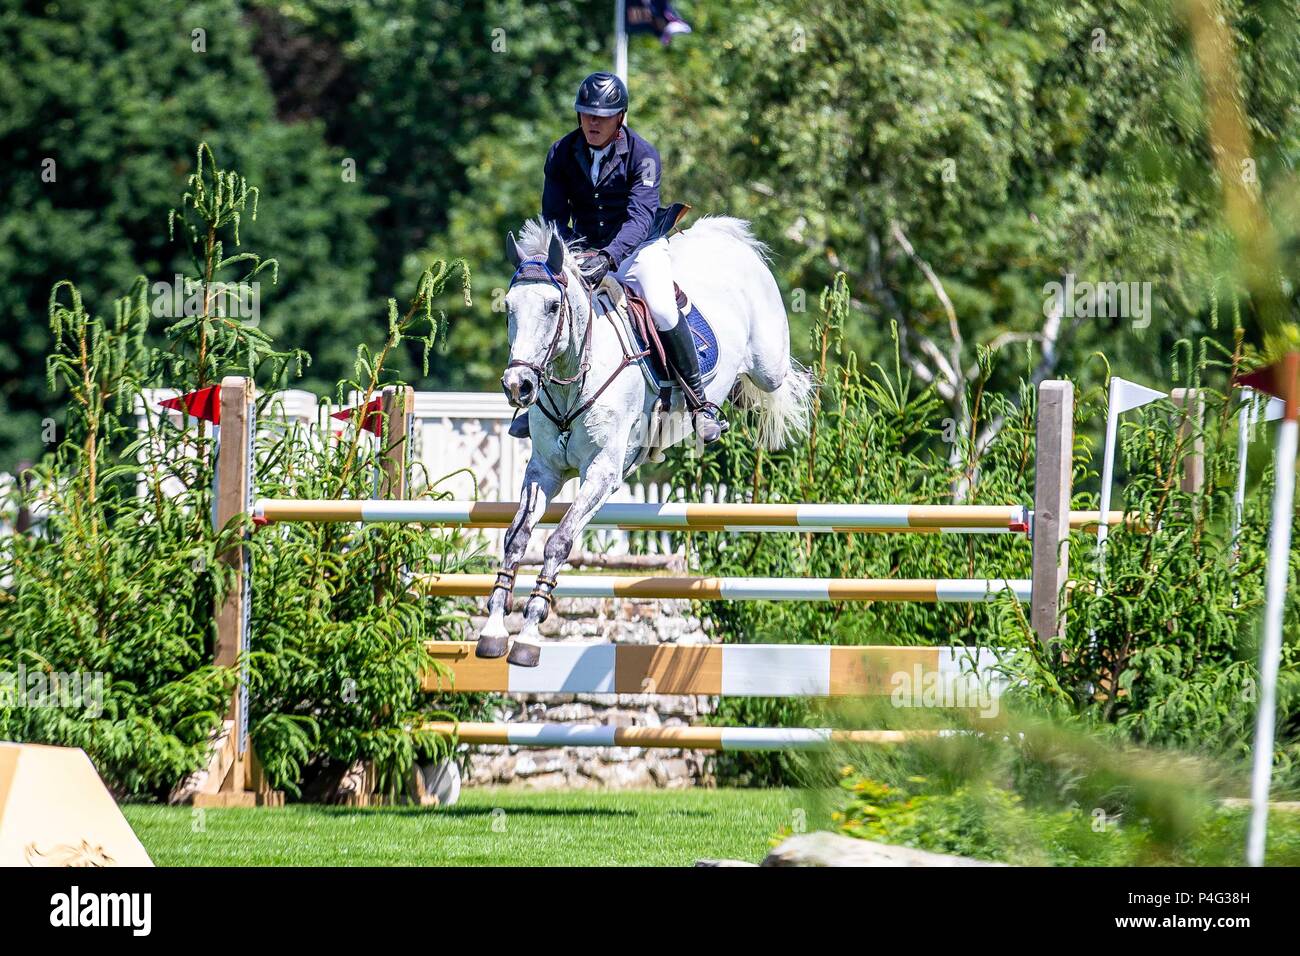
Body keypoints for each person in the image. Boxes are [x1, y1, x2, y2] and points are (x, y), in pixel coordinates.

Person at [510, 71, 724, 442]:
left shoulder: (643, 156)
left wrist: (609, 258)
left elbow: (640, 218)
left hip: (637, 247)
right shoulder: (561, 153)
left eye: (602, 115)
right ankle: (538, 404)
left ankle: (699, 403)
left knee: (659, 306)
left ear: (620, 117)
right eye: (586, 114)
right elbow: (555, 217)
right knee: (546, 303)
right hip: (583, 250)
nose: (592, 122)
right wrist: (575, 253)